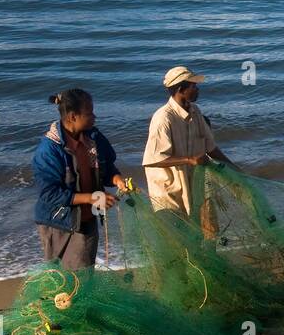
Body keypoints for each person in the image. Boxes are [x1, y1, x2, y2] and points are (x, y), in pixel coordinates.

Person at [33, 88, 127, 270]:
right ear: (73, 117)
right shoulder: (49, 150)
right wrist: (92, 198)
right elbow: (49, 194)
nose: (94, 116)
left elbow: (106, 167)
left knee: (84, 270)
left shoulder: (94, 137)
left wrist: (117, 179)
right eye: (89, 113)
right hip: (59, 222)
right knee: (62, 277)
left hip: (88, 218)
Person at [142, 66, 236, 219]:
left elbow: (210, 148)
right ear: (181, 89)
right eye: (193, 86)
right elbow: (153, 159)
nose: (197, 89)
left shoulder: (195, 111)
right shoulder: (163, 118)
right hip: (169, 192)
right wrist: (189, 160)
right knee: (177, 237)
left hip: (192, 185)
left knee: (201, 230)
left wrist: (233, 168)